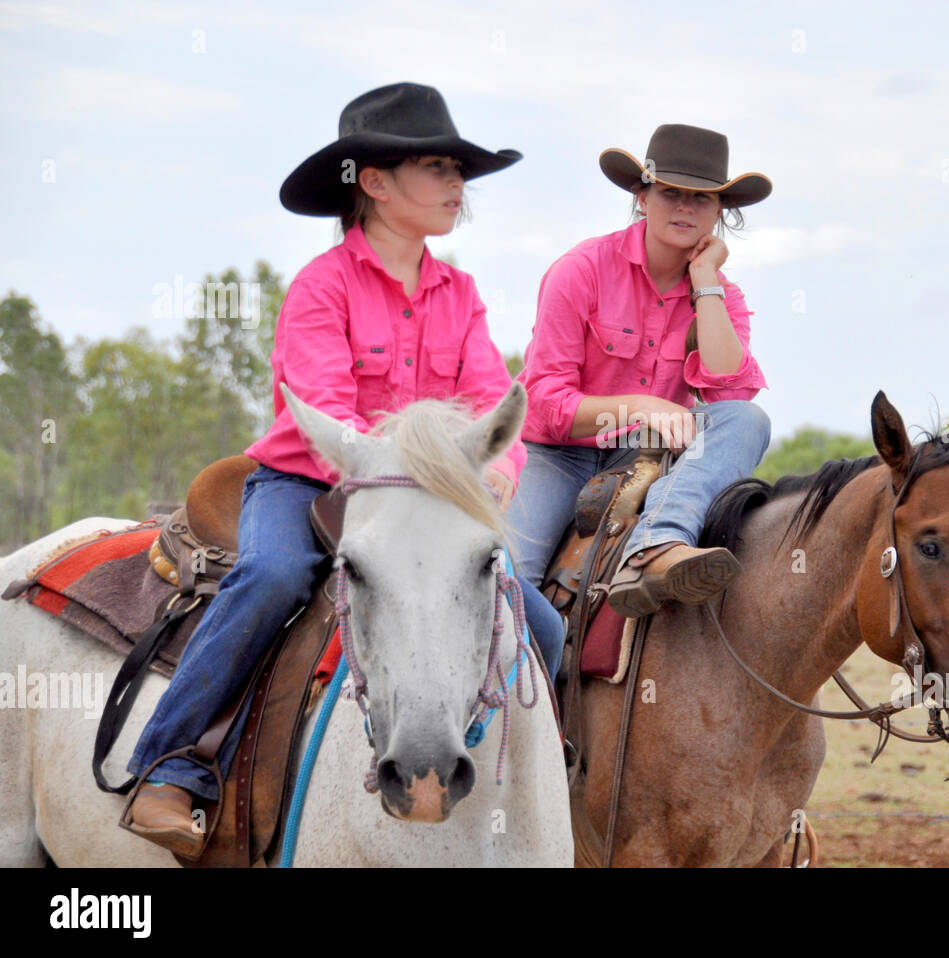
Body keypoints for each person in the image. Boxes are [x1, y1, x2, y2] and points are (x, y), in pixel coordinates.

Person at [123, 82, 565, 856]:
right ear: (374, 182)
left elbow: (492, 402)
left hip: (421, 505)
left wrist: (497, 469)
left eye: (460, 169)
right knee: (269, 578)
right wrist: (400, 467)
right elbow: (320, 407)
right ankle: (171, 763)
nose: (458, 185)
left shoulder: (458, 295)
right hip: (309, 483)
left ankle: (535, 786)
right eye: (438, 166)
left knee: (543, 626)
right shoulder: (322, 287)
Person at [507, 124, 772, 620]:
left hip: (647, 451)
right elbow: (545, 402)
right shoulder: (580, 270)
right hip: (558, 454)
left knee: (749, 420)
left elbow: (731, 392)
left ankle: (657, 542)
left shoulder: (720, 294)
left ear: (721, 212)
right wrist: (645, 406)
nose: (686, 209)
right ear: (641, 196)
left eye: (703, 198)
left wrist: (705, 281)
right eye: (671, 193)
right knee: (509, 584)